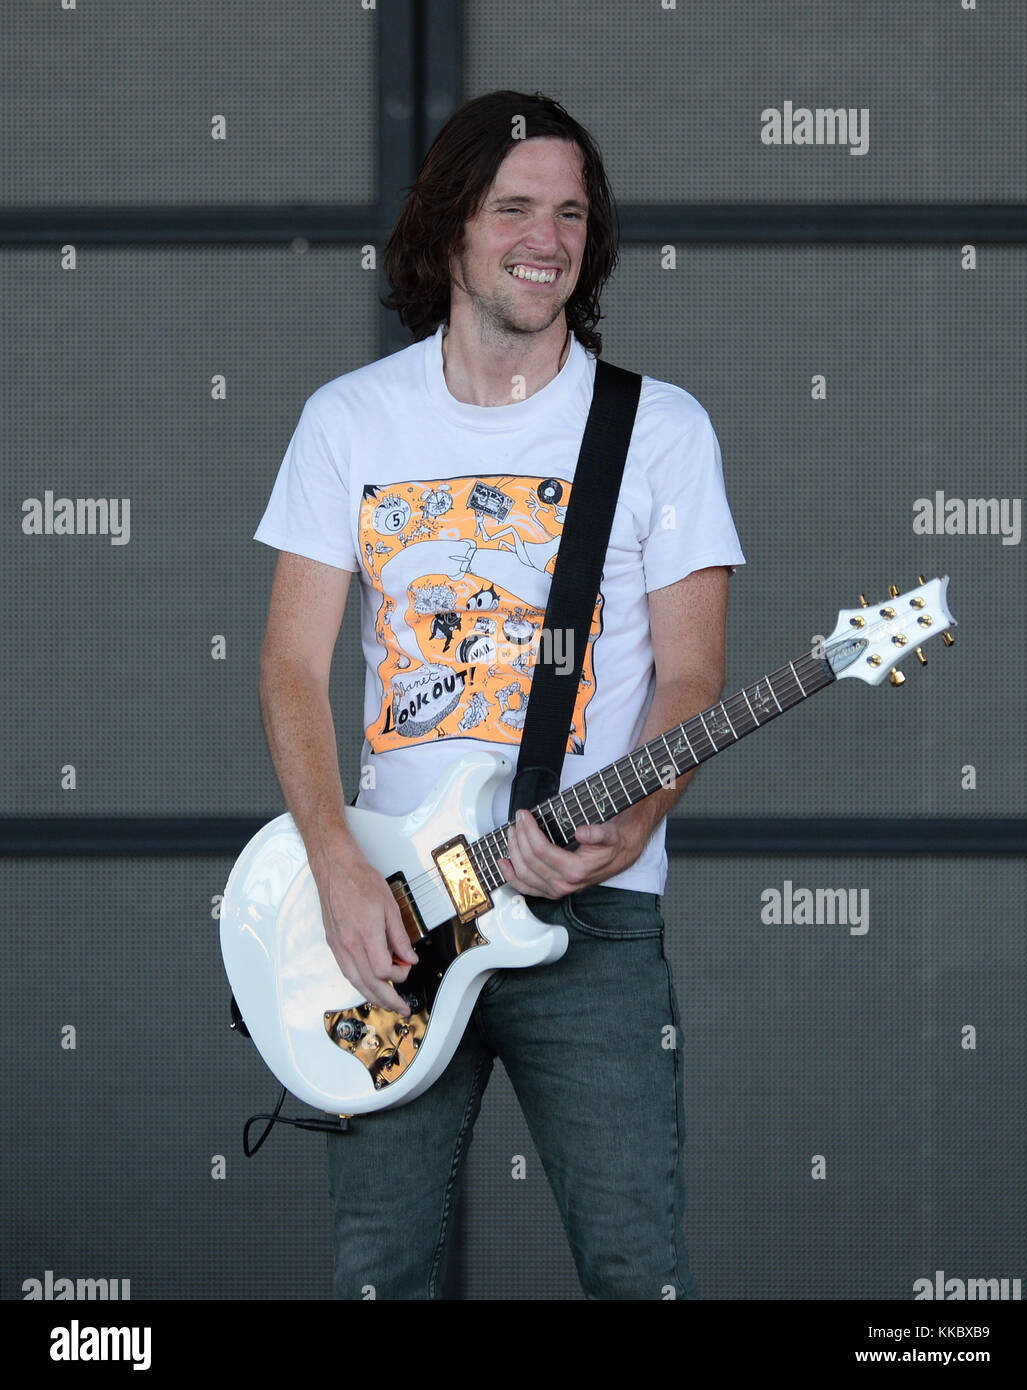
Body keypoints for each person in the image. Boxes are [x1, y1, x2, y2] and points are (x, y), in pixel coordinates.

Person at [253, 89, 745, 1300]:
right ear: (448, 229)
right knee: (379, 1271)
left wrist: (633, 818)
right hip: (389, 913)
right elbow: (287, 667)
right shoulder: (349, 422)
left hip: (596, 919)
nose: (547, 237)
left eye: (570, 212)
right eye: (514, 206)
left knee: (637, 1270)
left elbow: (691, 674)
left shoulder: (659, 429)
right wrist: (334, 866)